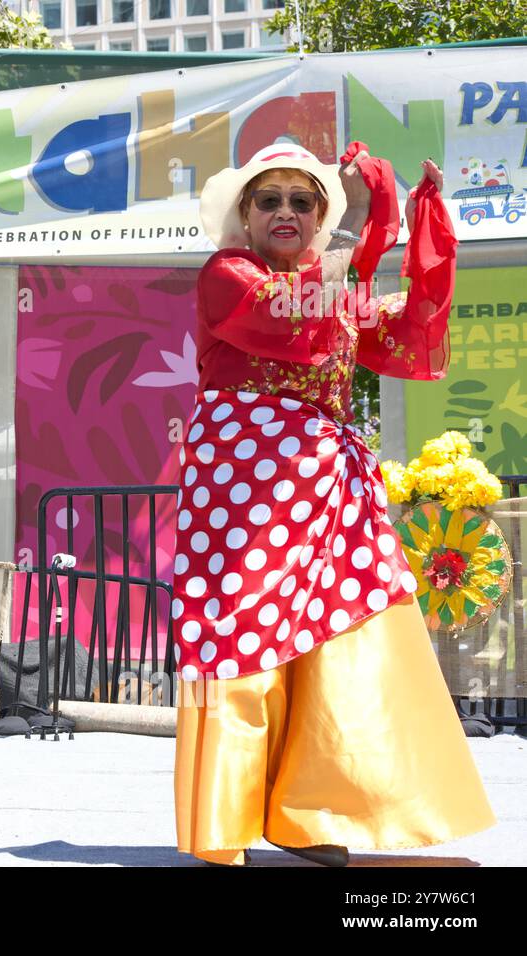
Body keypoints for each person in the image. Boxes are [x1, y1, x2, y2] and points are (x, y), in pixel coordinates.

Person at [173, 142, 494, 865]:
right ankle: (227, 818)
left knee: (345, 633)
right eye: (270, 199)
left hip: (324, 477)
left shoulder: (334, 287)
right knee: (244, 633)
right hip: (248, 477)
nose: (286, 211)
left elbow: (410, 329)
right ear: (245, 216)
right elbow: (283, 318)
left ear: (318, 217)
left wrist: (420, 225)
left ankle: (318, 814)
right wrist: (363, 238)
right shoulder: (228, 274)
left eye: (304, 200)